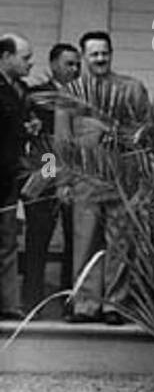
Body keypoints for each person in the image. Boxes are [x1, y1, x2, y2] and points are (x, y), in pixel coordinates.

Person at [58, 30, 149, 324]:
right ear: (83, 57)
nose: (100, 59)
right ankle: (85, 305)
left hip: (121, 180)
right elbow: (62, 142)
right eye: (94, 54)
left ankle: (114, 306)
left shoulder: (131, 88)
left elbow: (144, 136)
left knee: (120, 244)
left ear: (111, 54)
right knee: (85, 243)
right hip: (85, 180)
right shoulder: (70, 94)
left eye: (104, 53)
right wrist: (62, 183)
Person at [22, 43, 81, 313]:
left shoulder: (83, 97)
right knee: (39, 237)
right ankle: (31, 301)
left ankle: (71, 301)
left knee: (75, 239)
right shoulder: (35, 94)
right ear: (54, 64)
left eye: (77, 64)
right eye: (69, 64)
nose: (75, 69)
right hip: (45, 168)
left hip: (74, 173)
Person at [0, 35, 39, 320]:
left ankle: (9, 304)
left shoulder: (22, 91)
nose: (30, 63)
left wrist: (31, 127)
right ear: (5, 57)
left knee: (8, 241)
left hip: (9, 178)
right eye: (25, 58)